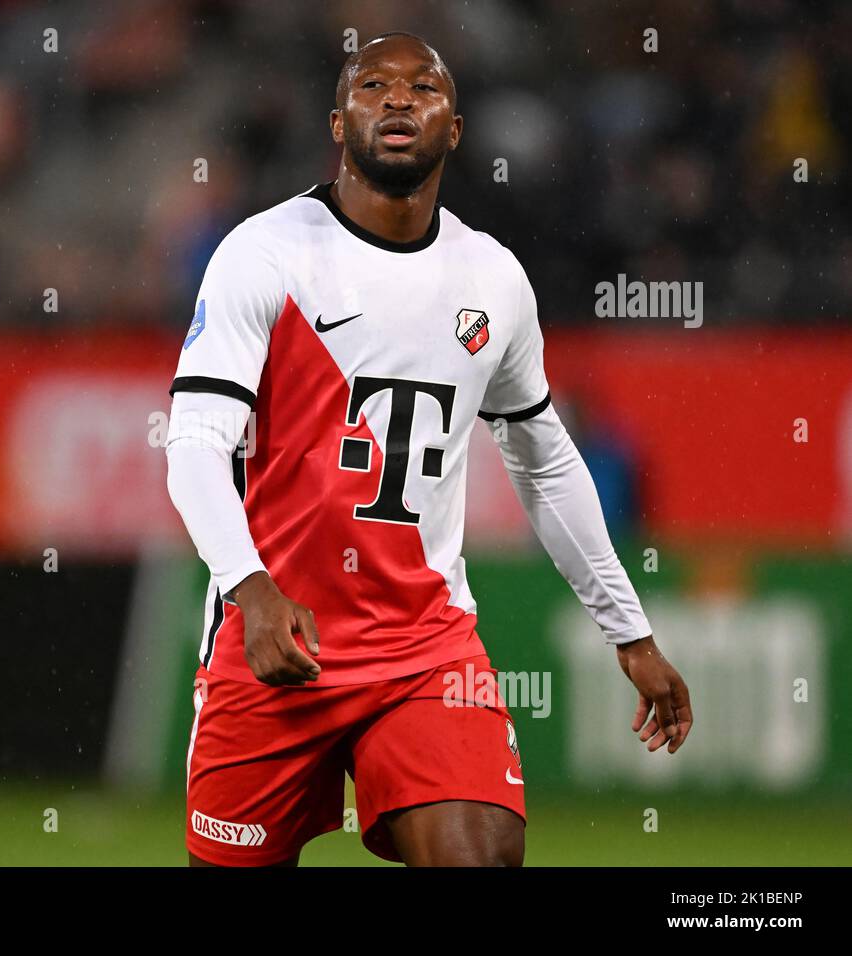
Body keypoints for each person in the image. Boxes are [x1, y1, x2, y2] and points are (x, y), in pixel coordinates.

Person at [164, 32, 692, 867]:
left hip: (424, 652)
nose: (400, 99)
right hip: (272, 642)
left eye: (423, 88)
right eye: (374, 85)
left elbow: (545, 460)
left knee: (481, 859)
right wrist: (249, 588)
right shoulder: (264, 254)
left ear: (456, 129)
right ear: (339, 123)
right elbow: (193, 442)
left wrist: (631, 634)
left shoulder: (494, 279)